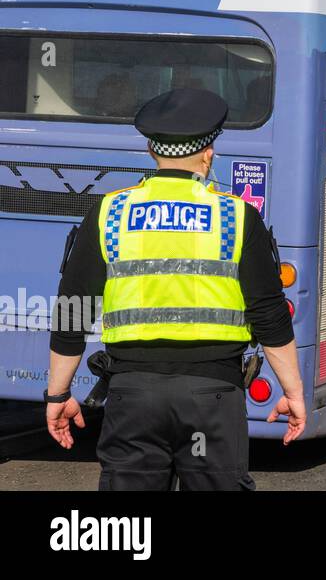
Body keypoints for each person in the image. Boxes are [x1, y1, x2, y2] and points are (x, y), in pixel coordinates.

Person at [45, 88, 304, 488]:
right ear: (208, 153)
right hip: (212, 398)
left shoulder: (110, 212)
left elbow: (73, 311)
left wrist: (57, 396)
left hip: (133, 397)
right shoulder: (237, 217)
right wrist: (293, 393)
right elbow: (269, 316)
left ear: (152, 151)